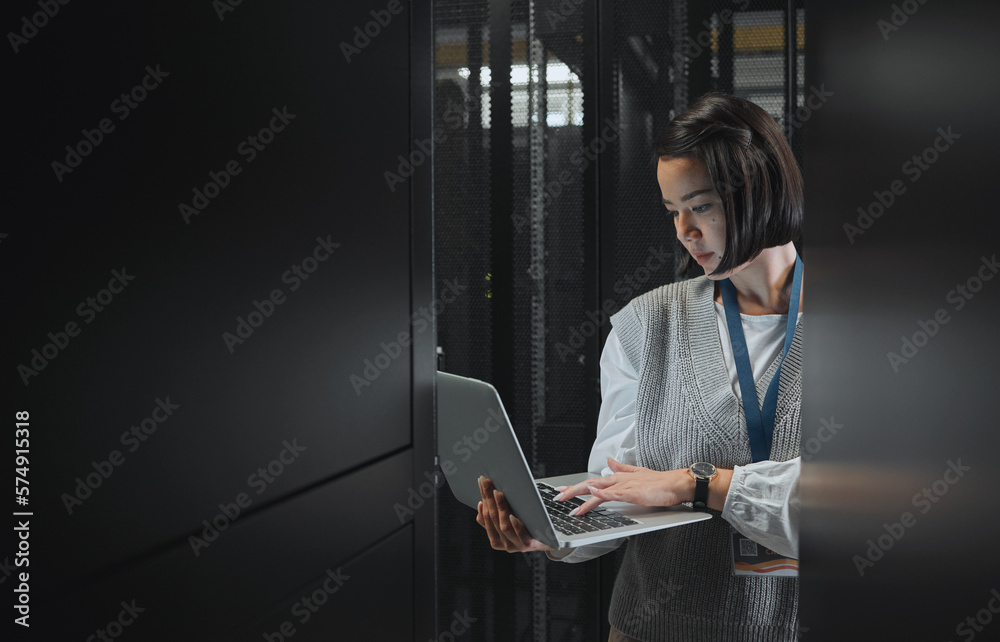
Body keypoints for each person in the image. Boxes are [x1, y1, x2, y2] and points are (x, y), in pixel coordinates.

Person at [475, 92, 805, 641]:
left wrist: (697, 485)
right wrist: (551, 533)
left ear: (759, 192)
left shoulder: (863, 321)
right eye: (673, 211)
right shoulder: (643, 325)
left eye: (700, 206)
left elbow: (860, 500)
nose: (684, 231)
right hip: (654, 627)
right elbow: (619, 487)